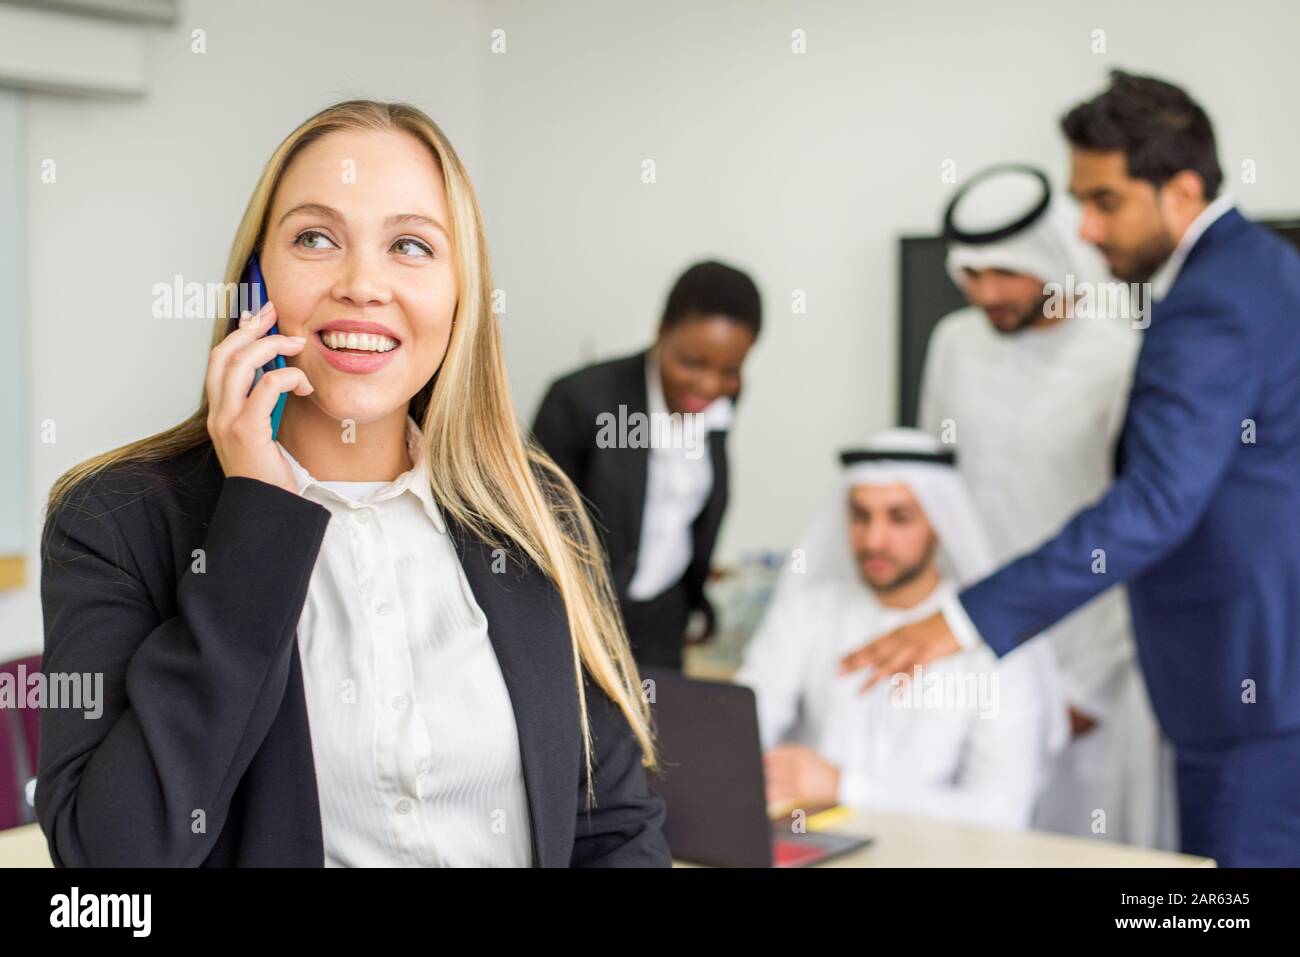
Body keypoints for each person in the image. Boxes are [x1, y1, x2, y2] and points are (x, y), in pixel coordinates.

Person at [37, 100, 669, 867]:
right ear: (252, 285)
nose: (363, 284)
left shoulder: (534, 512)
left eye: (410, 245)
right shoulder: (116, 519)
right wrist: (257, 525)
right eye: (315, 237)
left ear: (461, 295)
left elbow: (615, 830)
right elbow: (111, 866)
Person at [843, 71, 1300, 866]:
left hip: (1243, 670)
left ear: (1182, 190)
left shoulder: (1209, 303)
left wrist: (962, 620)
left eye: (1106, 201)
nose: (1086, 230)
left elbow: (1155, 503)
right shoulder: (1254, 271)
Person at [920, 163, 1175, 848]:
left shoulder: (1120, 354)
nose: (986, 293)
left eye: (1004, 273)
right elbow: (938, 496)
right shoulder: (954, 344)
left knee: (1087, 849)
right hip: (982, 651)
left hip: (1092, 664)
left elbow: (1142, 524)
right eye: (970, 275)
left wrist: (1090, 682)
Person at [735, 430, 1066, 830]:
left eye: (899, 518)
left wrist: (844, 787)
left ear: (941, 522)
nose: (874, 539)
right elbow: (740, 731)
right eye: (860, 516)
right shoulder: (808, 612)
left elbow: (1001, 811)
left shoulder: (989, 637)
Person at [532, 261, 761, 671]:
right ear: (660, 332)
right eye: (692, 363)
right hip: (579, 620)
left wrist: (694, 600)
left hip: (663, 618)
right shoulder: (581, 401)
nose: (709, 386)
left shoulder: (722, 402)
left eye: (730, 370)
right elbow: (537, 530)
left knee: (661, 730)